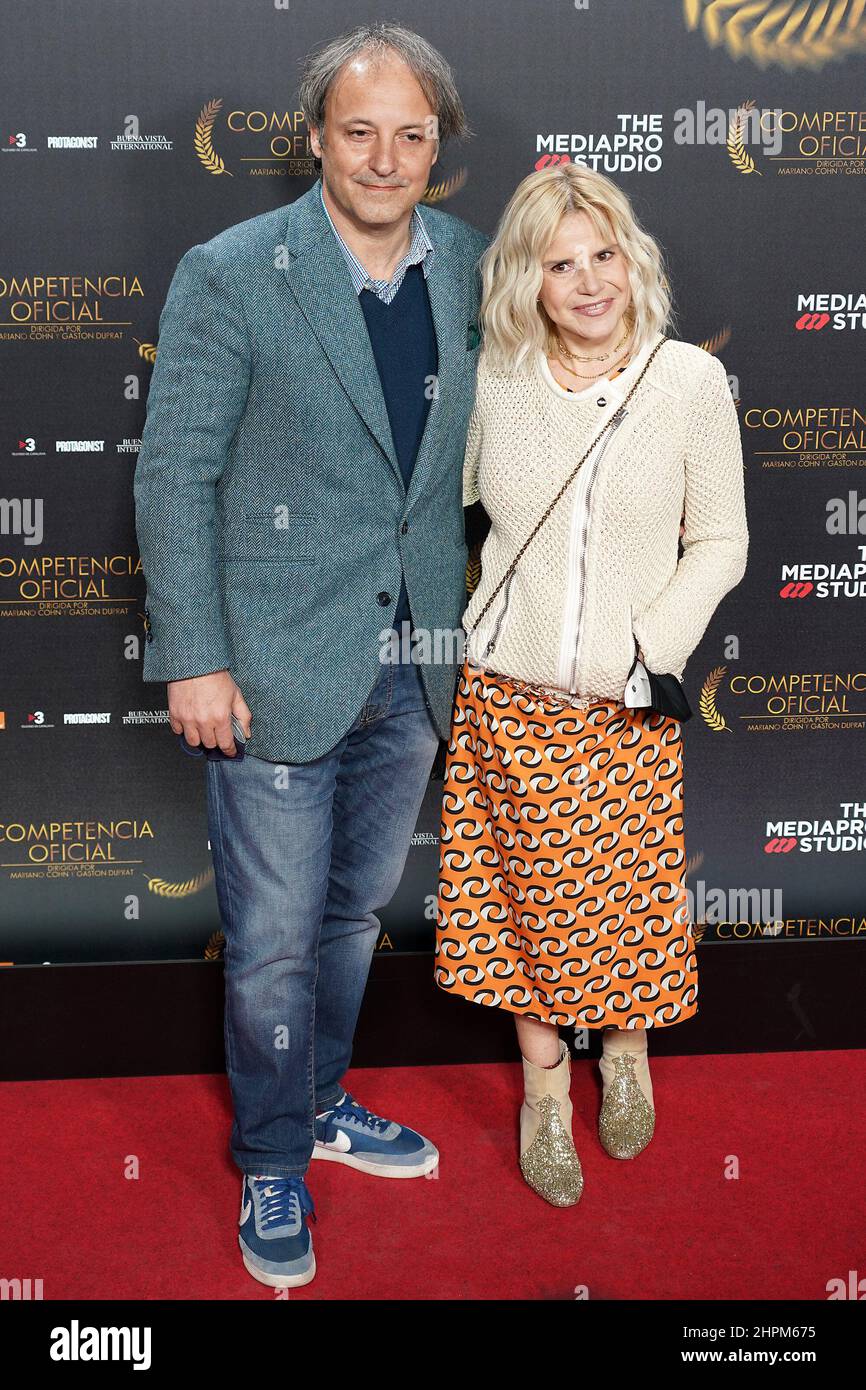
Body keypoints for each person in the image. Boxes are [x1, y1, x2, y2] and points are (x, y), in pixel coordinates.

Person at [133, 22, 489, 1287]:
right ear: (315, 138)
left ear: (435, 144)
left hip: (417, 663)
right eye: (358, 132)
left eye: (410, 135)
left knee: (348, 918)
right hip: (275, 662)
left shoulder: (466, 264)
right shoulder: (232, 271)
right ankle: (274, 1157)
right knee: (275, 936)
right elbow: (176, 470)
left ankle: (325, 1102)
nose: (385, 158)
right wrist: (194, 657)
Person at [435, 163, 749, 1206]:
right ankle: (540, 1092)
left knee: (621, 897)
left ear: (631, 258)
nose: (583, 283)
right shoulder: (497, 381)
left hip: (624, 698)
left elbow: (719, 540)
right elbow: (450, 512)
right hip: (508, 694)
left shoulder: (685, 384)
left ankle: (622, 1052)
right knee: (520, 902)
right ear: (525, 281)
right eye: (556, 264)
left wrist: (643, 644)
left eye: (600, 256)